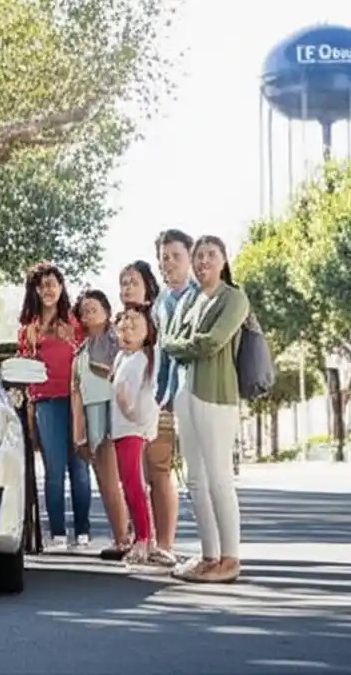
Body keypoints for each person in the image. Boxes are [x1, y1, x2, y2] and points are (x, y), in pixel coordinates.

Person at [161, 235, 249, 584]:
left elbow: (213, 341)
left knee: (219, 478)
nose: (203, 261)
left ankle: (230, 558)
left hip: (217, 395)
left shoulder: (234, 298)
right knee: (195, 480)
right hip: (187, 393)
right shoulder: (193, 298)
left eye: (211, 255)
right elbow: (169, 340)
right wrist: (187, 345)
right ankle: (209, 554)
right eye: (198, 256)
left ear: (224, 260)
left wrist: (185, 345)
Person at [17, 262, 90, 550]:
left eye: (53, 283)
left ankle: (82, 531)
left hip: (76, 401)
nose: (48, 289)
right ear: (35, 290)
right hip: (46, 402)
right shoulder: (28, 329)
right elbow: (22, 369)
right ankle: (58, 533)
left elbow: (86, 359)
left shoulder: (75, 324)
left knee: (80, 468)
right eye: (42, 284)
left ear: (61, 288)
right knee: (54, 468)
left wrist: (71, 340)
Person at [109, 305, 173, 566]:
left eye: (135, 326)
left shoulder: (148, 357)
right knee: (129, 484)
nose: (127, 330)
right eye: (124, 325)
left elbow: (155, 392)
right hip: (120, 428)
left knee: (134, 484)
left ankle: (145, 540)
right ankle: (143, 537)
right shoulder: (122, 358)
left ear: (148, 332)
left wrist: (138, 416)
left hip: (134, 429)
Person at [69, 289, 130, 559]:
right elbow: (76, 393)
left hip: (115, 410)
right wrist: (78, 434)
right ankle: (120, 538)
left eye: (94, 308)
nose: (88, 313)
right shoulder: (80, 351)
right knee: (104, 480)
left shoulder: (115, 340)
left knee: (121, 478)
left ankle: (132, 538)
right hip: (92, 413)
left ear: (107, 311)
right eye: (84, 310)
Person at [150, 229, 198, 558]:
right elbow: (163, 354)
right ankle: (165, 547)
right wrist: (160, 398)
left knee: (203, 475)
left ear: (191, 257)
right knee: (166, 471)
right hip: (171, 398)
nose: (169, 263)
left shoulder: (203, 295)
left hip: (202, 392)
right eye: (164, 257)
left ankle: (219, 553)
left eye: (175, 256)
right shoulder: (162, 303)